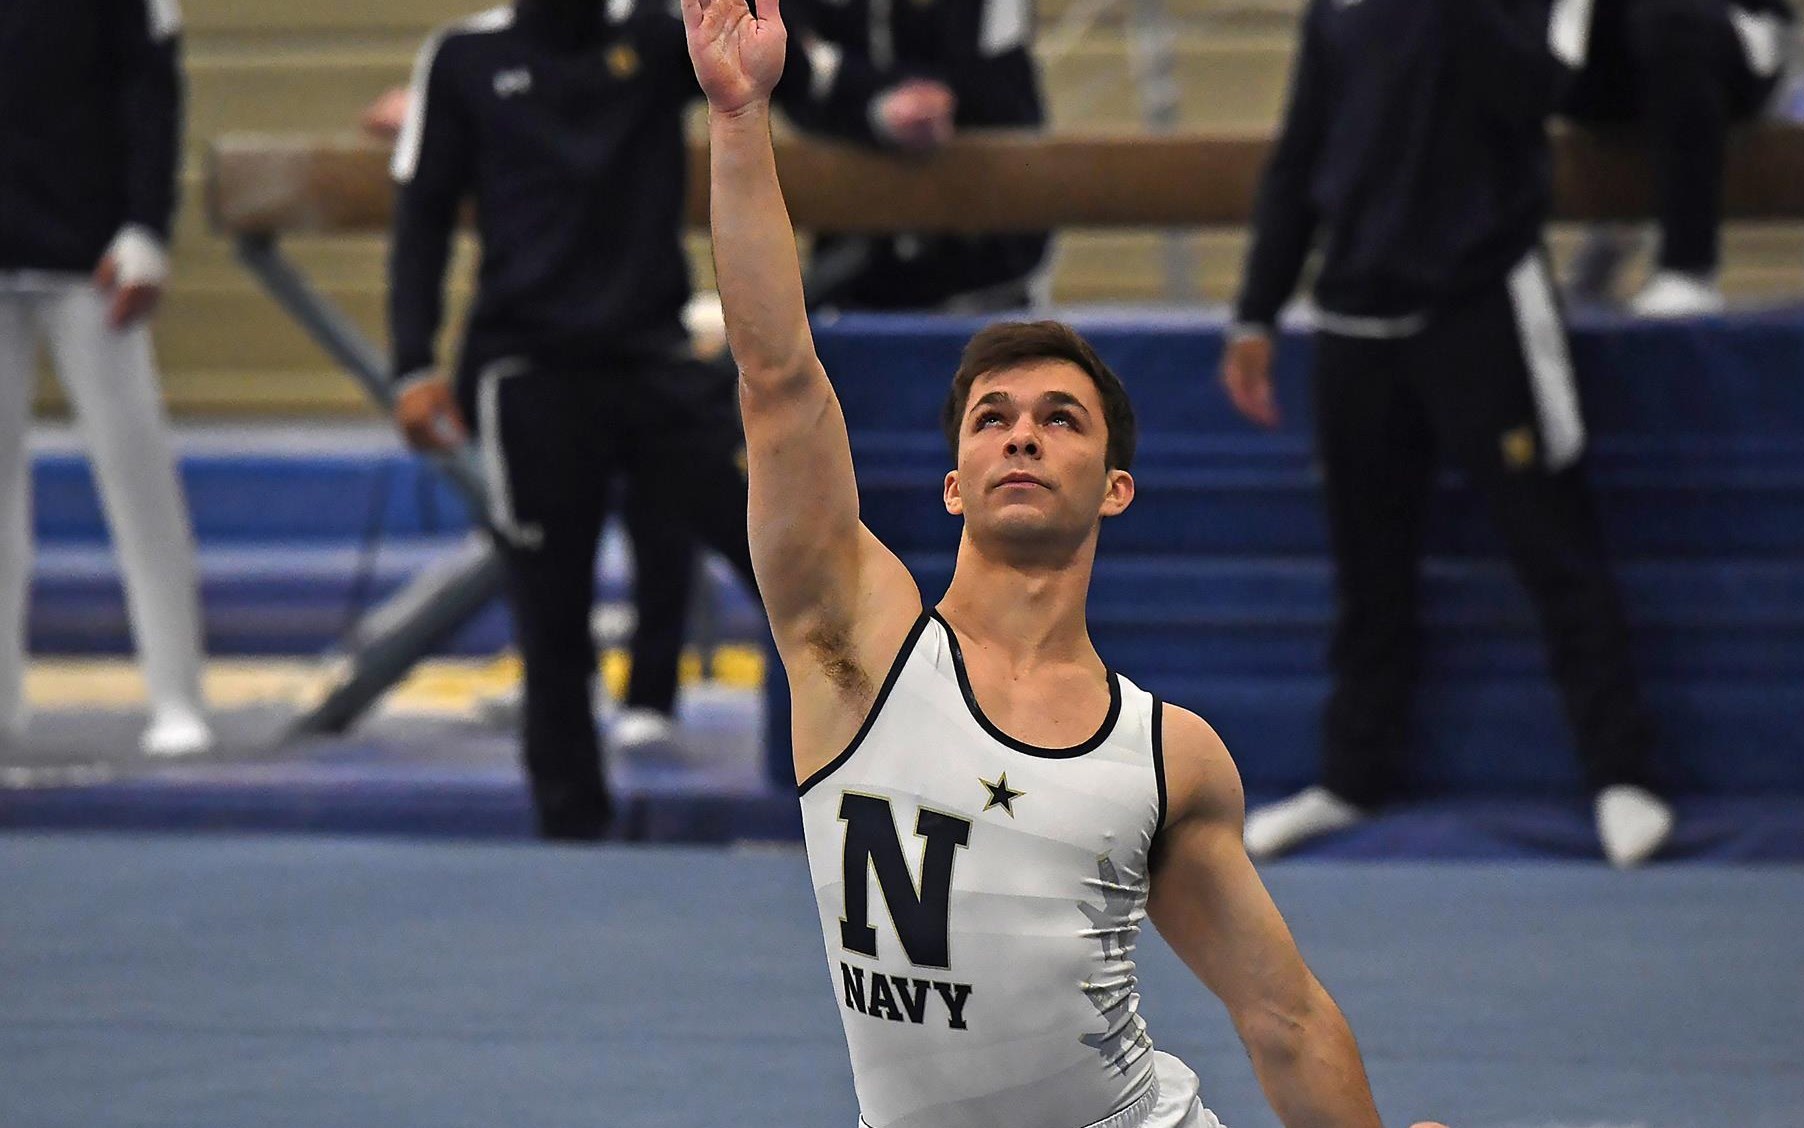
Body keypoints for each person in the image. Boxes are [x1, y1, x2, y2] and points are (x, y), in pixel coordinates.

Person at [683, 2, 1446, 1126]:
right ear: (952, 484)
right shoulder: (857, 655)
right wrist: (741, 119)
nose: (1022, 434)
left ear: (1113, 488)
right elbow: (777, 375)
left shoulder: (1166, 755)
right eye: (990, 418)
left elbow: (1280, 1016)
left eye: (1060, 420)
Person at [1220, 0, 1675, 867]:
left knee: (1553, 548)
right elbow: (1303, 148)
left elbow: (1541, 88)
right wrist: (1256, 309)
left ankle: (1623, 772)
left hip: (1479, 301)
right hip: (1354, 312)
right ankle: (1353, 775)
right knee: (1368, 568)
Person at [389, 0, 831, 838]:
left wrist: (768, 48)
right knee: (550, 614)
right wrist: (412, 361)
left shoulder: (657, 38)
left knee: (782, 565)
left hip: (652, 359)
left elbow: (798, 86)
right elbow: (422, 212)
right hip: (529, 370)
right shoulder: (461, 59)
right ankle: (571, 824)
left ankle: (857, 781)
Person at [0, 0, 212, 758]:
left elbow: (151, 88)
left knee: (136, 475)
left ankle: (176, 693)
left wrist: (147, 226)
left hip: (90, 254)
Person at [785, 0, 1052, 311]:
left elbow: (983, 89)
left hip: (985, 260)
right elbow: (794, 74)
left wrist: (835, 73)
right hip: (857, 258)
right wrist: (876, 107)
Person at [1560, 0, 1797, 315]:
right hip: (1595, 46)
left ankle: (1688, 264)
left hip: (1720, 40)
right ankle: (1504, 270)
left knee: (1670, 19)